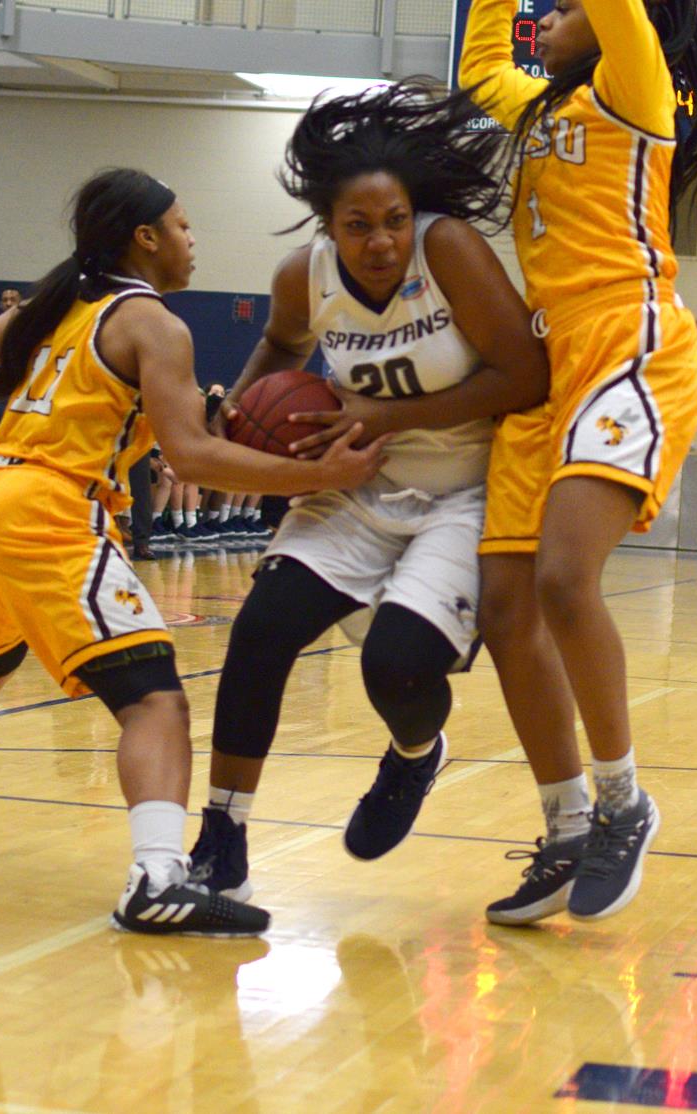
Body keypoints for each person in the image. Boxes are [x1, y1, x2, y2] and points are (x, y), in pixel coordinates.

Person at [0, 168, 389, 936]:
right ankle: (157, 879)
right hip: (46, 508)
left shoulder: (63, 305)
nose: (195, 241)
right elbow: (190, 459)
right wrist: (318, 474)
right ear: (146, 238)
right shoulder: (154, 324)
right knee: (155, 699)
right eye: (184, 226)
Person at [184, 83, 550, 908]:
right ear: (329, 226)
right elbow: (283, 343)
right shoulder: (303, 276)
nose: (380, 241)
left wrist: (385, 413)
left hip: (462, 492)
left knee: (395, 667)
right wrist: (239, 421)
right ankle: (222, 837)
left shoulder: (446, 248)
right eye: (359, 226)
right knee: (260, 634)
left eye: (391, 220)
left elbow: (525, 376)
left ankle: (415, 757)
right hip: (354, 486)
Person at [459, 0, 697, 919]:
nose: (551, 16)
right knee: (504, 609)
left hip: (629, 342)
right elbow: (478, 69)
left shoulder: (637, 85)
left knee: (564, 580)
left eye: (568, 8)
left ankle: (626, 802)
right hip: (544, 363)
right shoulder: (539, 108)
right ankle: (567, 825)